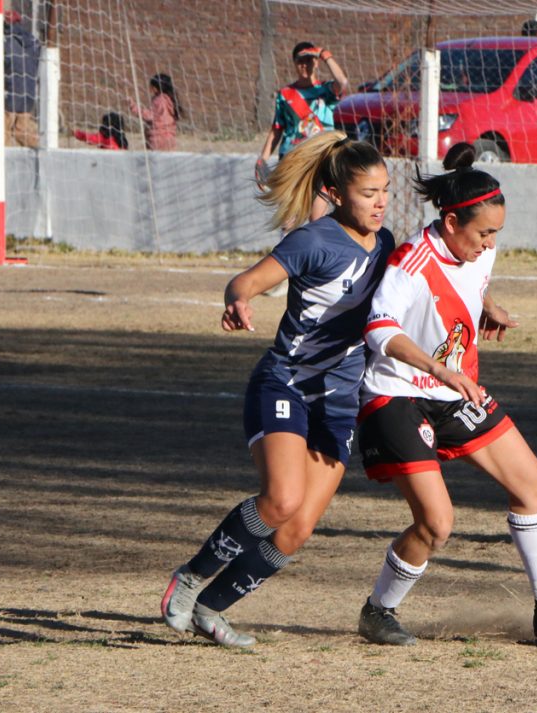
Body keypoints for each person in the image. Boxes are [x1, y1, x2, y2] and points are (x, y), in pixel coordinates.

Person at [160, 131, 394, 648]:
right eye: (368, 193)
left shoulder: (387, 246)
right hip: (285, 381)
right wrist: (238, 300)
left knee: (297, 529)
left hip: (338, 398)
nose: (379, 203)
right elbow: (245, 281)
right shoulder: (312, 240)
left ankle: (210, 609)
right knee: (281, 499)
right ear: (335, 193)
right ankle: (192, 576)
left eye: (385, 191)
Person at [353, 143, 537, 646]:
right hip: (398, 394)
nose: (491, 243)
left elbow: (470, 280)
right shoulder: (410, 262)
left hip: (454, 389)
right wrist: (437, 367)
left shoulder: (480, 248)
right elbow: (380, 329)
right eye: (484, 232)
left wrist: (486, 306)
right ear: (451, 222)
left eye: (496, 232)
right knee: (436, 523)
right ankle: (378, 611)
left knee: (532, 482)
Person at [257, 41, 350, 223]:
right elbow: (277, 128)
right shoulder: (285, 94)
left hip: (320, 157)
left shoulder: (326, 90)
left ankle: (316, 250)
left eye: (309, 60)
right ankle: (290, 249)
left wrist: (324, 53)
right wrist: (263, 158)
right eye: (300, 61)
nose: (305, 65)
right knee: (290, 216)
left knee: (316, 216)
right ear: (294, 64)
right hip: (293, 158)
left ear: (315, 63)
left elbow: (343, 82)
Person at [0, 10, 41, 149]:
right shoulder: (32, 42)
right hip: (28, 97)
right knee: (21, 131)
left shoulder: (0, 42)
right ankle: (41, 150)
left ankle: (4, 166)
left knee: (2, 134)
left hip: (7, 96)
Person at [129, 73, 180, 151]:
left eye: (152, 86)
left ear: (158, 87)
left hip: (158, 138)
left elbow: (150, 116)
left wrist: (133, 107)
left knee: (155, 162)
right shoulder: (171, 99)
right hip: (170, 138)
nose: (151, 88)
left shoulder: (159, 100)